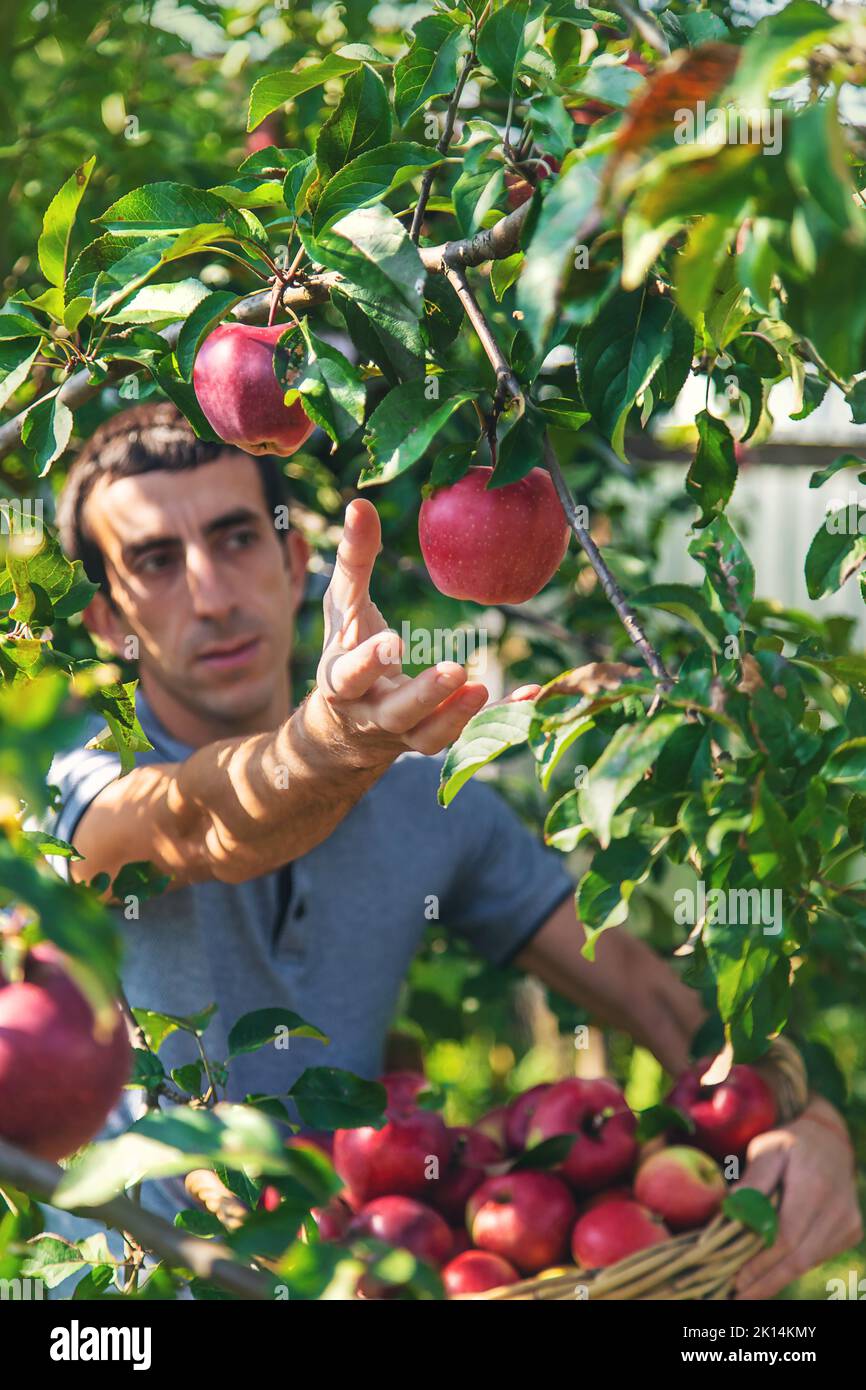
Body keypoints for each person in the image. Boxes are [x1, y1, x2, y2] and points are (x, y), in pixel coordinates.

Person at [47, 402, 860, 1299]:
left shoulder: (428, 796)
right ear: (103, 617)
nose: (210, 592)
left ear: (291, 560)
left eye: (239, 537)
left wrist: (810, 1119)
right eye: (156, 561)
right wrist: (325, 751)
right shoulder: (77, 776)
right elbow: (196, 824)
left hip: (368, 1266)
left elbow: (657, 1006)